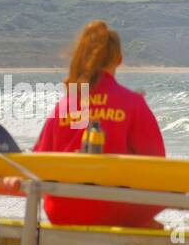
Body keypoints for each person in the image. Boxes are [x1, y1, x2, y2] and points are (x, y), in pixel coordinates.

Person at [34, 21, 166, 227]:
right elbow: (156, 163)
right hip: (117, 211)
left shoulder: (66, 105)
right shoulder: (132, 103)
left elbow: (38, 162)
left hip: (63, 212)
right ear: (119, 60)